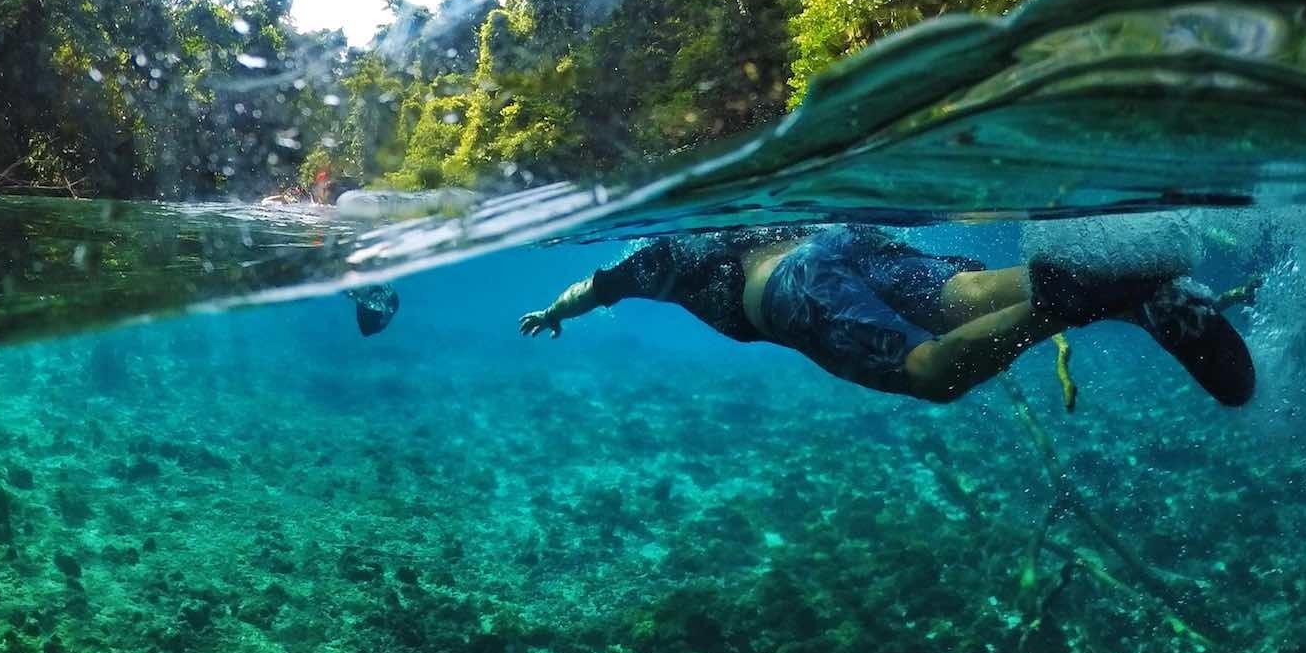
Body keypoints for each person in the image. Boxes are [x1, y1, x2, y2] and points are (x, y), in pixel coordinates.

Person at [519, 223, 1255, 406]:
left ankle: (1091, 296)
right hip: (845, 239)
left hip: (792, 283)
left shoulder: (660, 252)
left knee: (929, 371)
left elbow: (596, 284)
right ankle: (1109, 276)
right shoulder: (747, 221)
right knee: (959, 301)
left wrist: (556, 311)